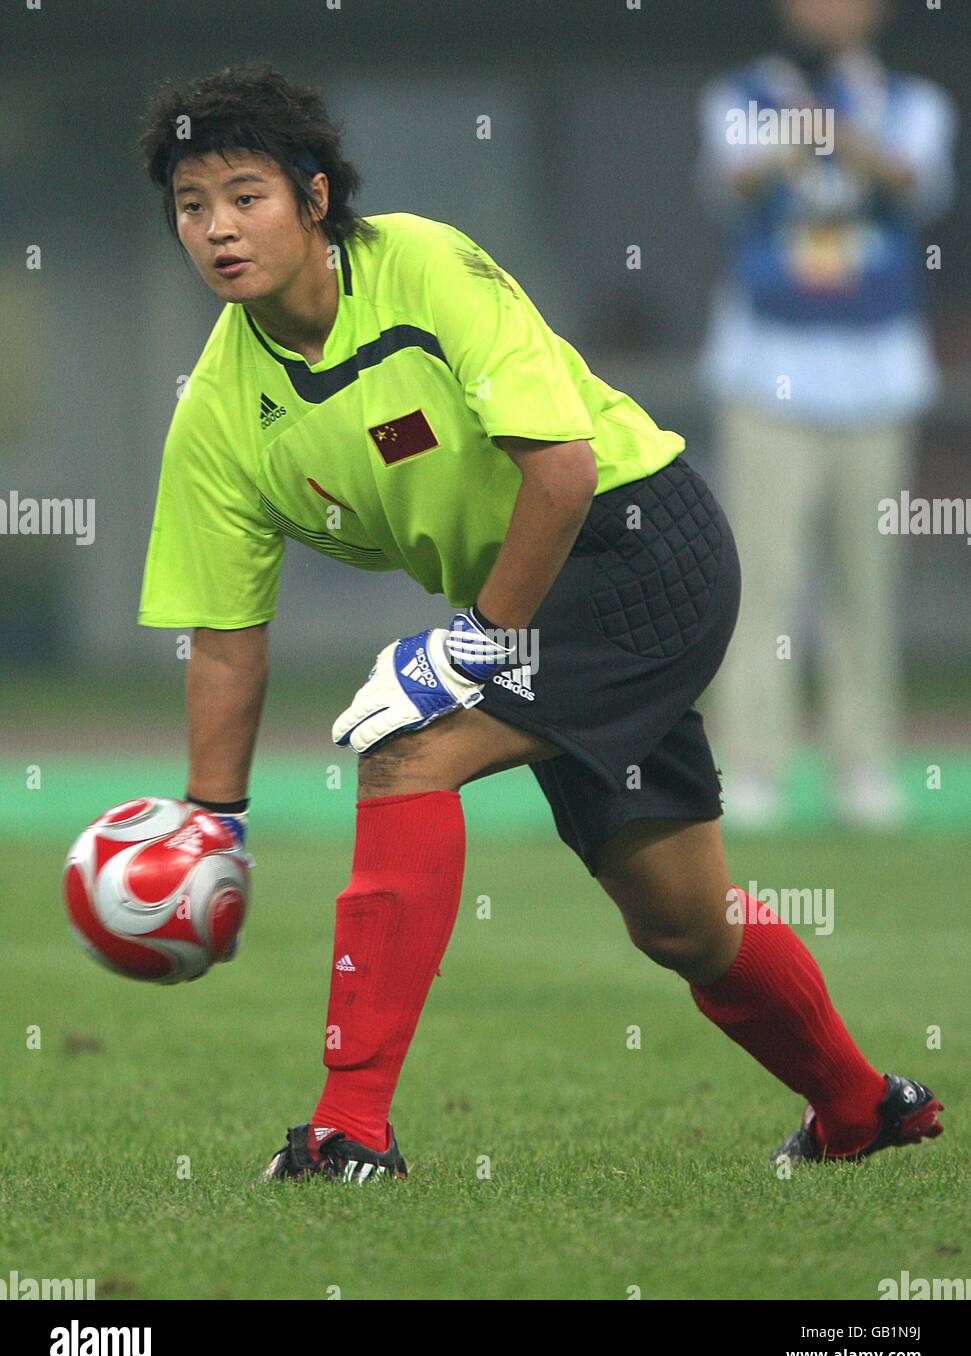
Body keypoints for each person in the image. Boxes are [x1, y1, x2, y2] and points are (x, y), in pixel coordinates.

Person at [137, 62, 942, 1183]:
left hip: (635, 539)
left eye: (245, 194)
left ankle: (347, 1130)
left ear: (315, 198)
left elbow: (560, 470)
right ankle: (864, 1108)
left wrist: (473, 642)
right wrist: (211, 822)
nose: (217, 228)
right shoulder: (217, 412)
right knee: (680, 924)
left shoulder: (423, 263)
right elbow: (224, 633)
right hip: (551, 587)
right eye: (191, 205)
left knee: (404, 754)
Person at [698, 0, 957, 829]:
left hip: (876, 371)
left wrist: (840, 132)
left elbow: (915, 184)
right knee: (764, 577)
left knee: (864, 579)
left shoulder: (913, 101)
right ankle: (753, 763)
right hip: (768, 368)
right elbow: (733, 181)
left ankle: (865, 765)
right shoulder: (739, 93)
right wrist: (794, 133)